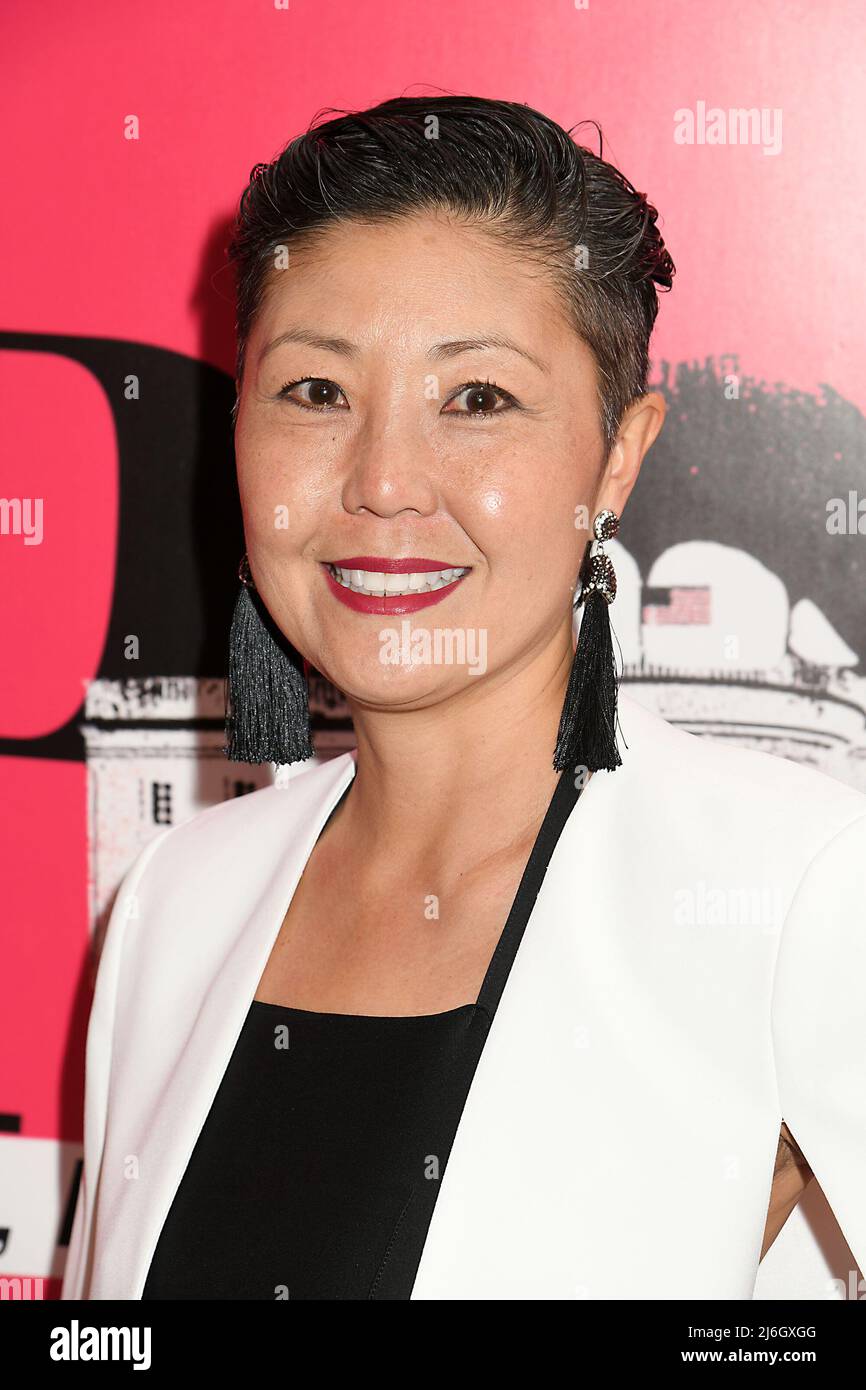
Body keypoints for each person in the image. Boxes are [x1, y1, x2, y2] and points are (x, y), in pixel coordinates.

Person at [62, 95, 866, 1301]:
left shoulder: (798, 893)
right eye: (315, 392)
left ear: (615, 455)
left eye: (476, 399)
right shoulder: (173, 904)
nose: (382, 482)